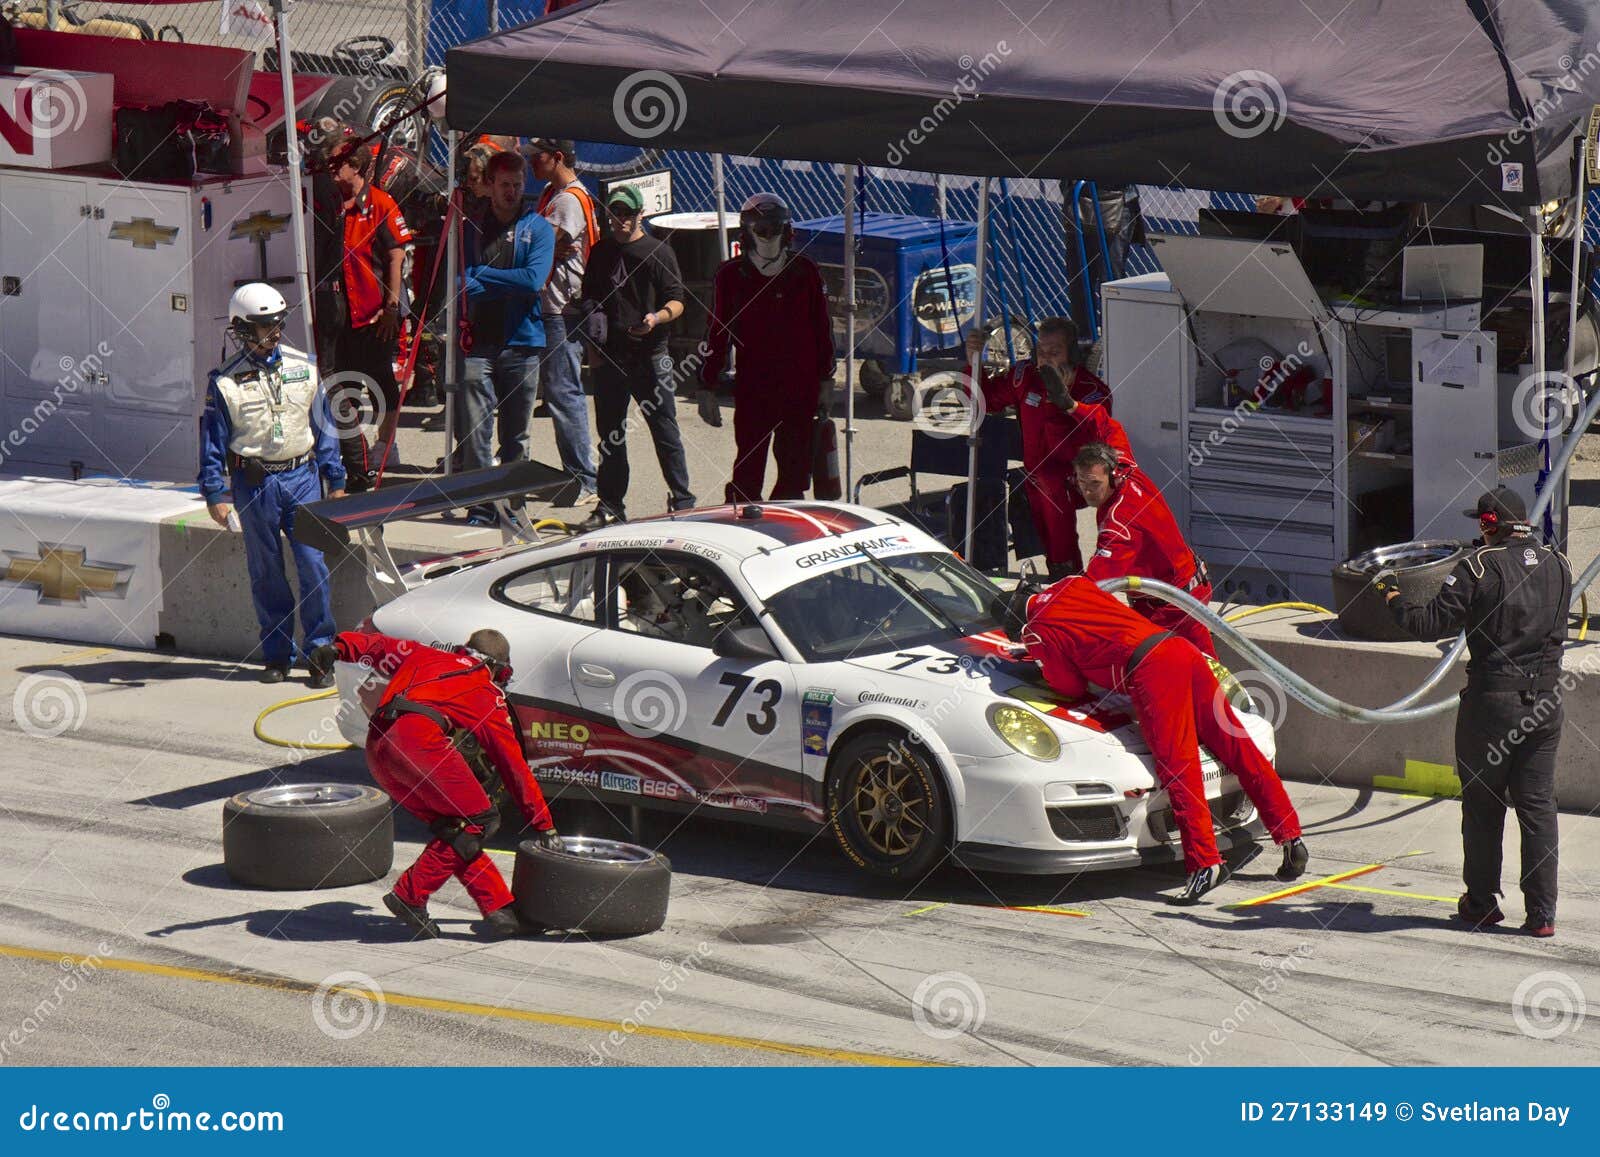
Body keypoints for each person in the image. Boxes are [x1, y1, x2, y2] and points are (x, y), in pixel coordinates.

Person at [1002, 574, 1307, 903]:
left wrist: (1040, 659)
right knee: (1238, 746)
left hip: (1150, 669)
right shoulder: (1071, 584)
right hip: (1178, 648)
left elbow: (1069, 686)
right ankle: (1290, 836)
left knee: (1179, 767)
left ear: (1020, 622)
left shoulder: (1035, 629)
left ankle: (1205, 863)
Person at [1380, 488, 1569, 937]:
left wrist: (1391, 596)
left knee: (1484, 807)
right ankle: (1542, 914)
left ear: (1488, 525)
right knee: (1538, 806)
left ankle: (1481, 904)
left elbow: (1428, 624)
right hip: (1546, 703)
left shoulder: (1478, 566)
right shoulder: (1559, 564)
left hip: (1492, 707)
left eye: (1480, 526)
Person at [321, 627, 561, 940]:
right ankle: (410, 894)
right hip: (416, 744)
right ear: (497, 669)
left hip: (377, 747)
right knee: (480, 819)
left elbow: (378, 646)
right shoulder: (485, 690)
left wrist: (336, 648)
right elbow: (513, 766)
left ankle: (500, 909)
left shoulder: (424, 653)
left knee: (457, 830)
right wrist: (544, 824)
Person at [199, 284, 346, 686]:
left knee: (313, 565)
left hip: (303, 478)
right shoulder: (223, 382)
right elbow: (211, 441)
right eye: (264, 327)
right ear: (242, 330)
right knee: (266, 572)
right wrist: (215, 492)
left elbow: (326, 427)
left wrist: (336, 479)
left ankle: (320, 652)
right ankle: (277, 655)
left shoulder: (306, 367)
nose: (274, 333)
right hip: (255, 483)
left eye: (277, 324)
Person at [698, 192, 835, 503]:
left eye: (774, 228)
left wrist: (827, 379)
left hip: (800, 387)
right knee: (747, 472)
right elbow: (717, 332)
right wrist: (705, 384)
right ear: (747, 231)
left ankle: (785, 530)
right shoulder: (730, 275)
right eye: (761, 228)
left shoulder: (805, 271)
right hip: (753, 388)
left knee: (795, 474)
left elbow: (822, 328)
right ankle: (742, 528)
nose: (768, 235)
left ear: (786, 231)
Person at [573, 183, 696, 527]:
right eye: (615, 212)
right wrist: (593, 347)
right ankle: (610, 506)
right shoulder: (600, 252)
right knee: (611, 436)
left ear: (641, 214)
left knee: (665, 430)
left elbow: (678, 300)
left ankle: (682, 500)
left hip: (650, 355)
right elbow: (589, 297)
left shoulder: (658, 252)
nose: (620, 219)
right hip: (610, 356)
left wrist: (656, 318)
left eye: (627, 213)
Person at [965, 316, 1126, 578]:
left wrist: (1062, 401)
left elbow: (1099, 434)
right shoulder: (1025, 376)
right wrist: (973, 361)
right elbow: (984, 401)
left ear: (1072, 354)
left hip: (1080, 481)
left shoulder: (1093, 391)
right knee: (1033, 481)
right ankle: (1056, 570)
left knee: (1048, 480)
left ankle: (1067, 571)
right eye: (1041, 352)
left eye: (1055, 352)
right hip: (1037, 477)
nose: (1046, 359)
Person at [458, 149, 557, 525]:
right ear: (490, 184)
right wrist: (489, 281)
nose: (512, 192)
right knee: (476, 434)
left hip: (523, 344)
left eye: (517, 185)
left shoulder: (539, 228)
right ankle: (482, 506)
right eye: (504, 185)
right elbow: (461, 285)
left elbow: (533, 281)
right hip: (478, 345)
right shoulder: (470, 227)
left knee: (516, 436)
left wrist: (484, 275)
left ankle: (514, 506)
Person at [1074, 442, 1216, 657]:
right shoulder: (1130, 469)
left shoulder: (1119, 526)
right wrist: (1073, 408)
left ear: (1113, 476)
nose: (1086, 490)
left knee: (1151, 669)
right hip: (1189, 589)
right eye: (1081, 481)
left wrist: (1042, 603)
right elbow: (1110, 426)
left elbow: (1092, 588)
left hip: (1170, 610)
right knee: (1207, 669)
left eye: (1094, 483)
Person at [330, 135, 413, 489]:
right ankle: (352, 451)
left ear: (358, 166)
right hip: (340, 316)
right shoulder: (331, 203)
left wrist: (392, 307)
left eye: (338, 162)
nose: (332, 168)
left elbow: (397, 256)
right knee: (341, 384)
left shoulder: (380, 203)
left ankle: (385, 444)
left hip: (375, 313)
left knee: (380, 380)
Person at [527, 138, 600, 504]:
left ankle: (584, 479)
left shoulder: (568, 200)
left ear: (557, 158)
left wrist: (534, 243)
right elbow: (537, 243)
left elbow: (534, 246)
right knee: (558, 392)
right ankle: (579, 475)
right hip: (554, 306)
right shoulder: (552, 194)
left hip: (562, 310)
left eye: (536, 156)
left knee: (563, 393)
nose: (530, 163)